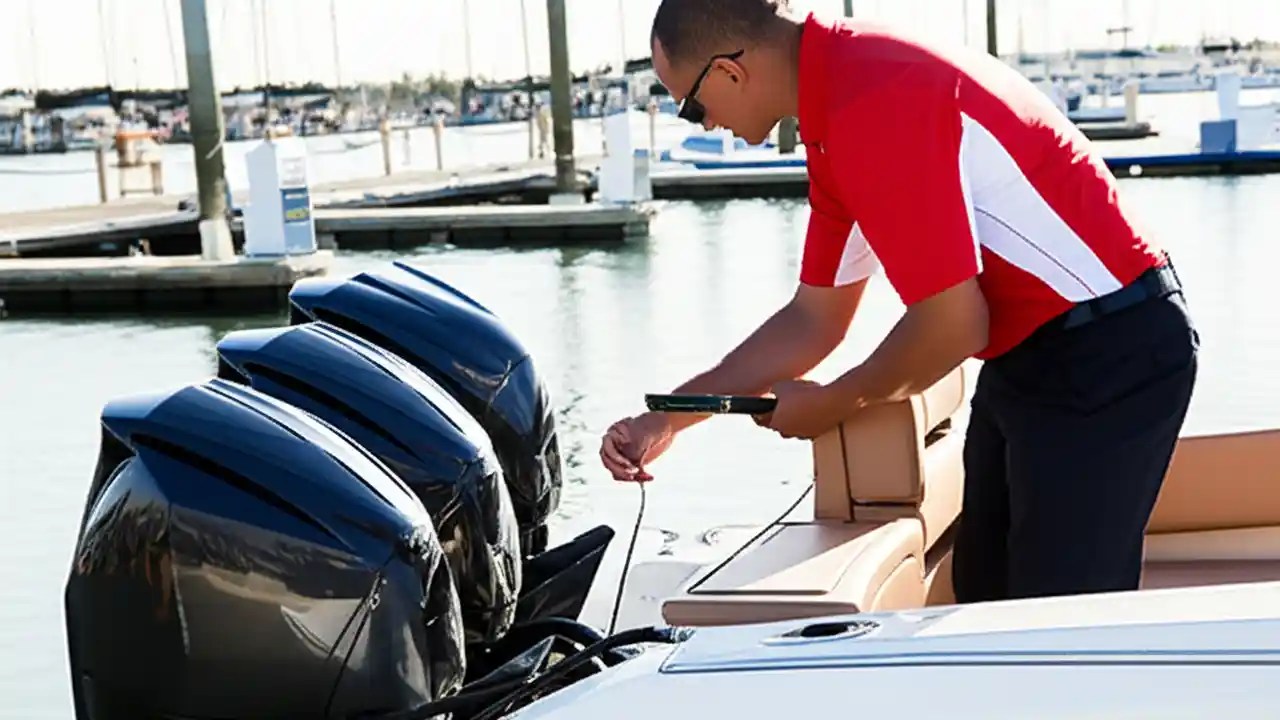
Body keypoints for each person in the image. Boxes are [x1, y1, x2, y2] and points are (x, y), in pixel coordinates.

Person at [598, 0, 1199, 603]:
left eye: (689, 105)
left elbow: (955, 323)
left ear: (730, 71)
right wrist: (668, 418)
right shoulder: (837, 103)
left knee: (1050, 627)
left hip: (1111, 349)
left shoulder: (872, 98)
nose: (701, 124)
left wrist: (835, 401)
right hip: (1035, 354)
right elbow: (814, 319)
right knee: (985, 595)